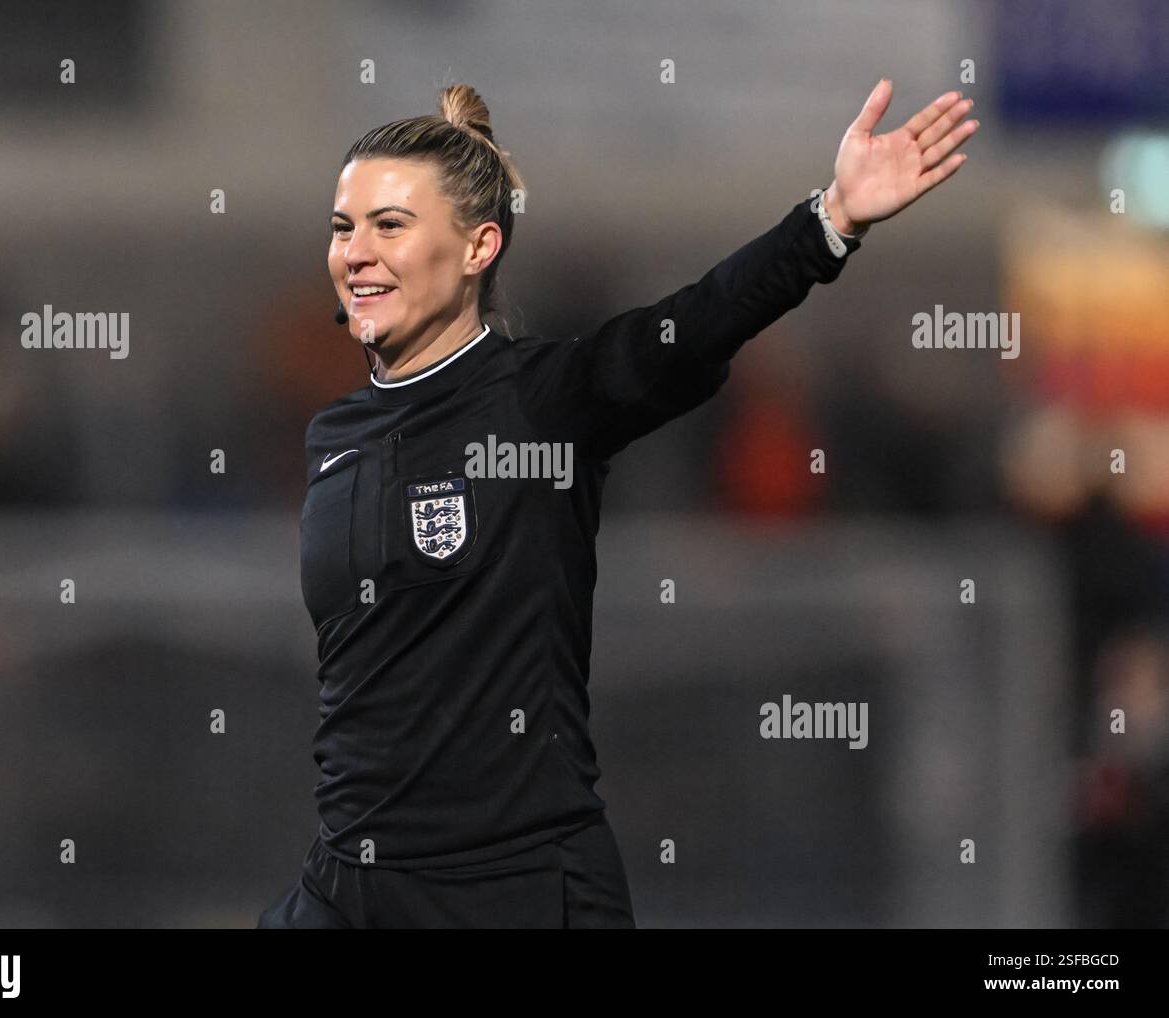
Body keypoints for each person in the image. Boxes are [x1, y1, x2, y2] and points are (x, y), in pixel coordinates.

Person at [257, 79, 977, 928]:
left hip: (513, 890)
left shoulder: (541, 403)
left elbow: (695, 325)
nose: (356, 252)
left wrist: (830, 222)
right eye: (344, 228)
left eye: (390, 225)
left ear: (479, 246)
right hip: (351, 885)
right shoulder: (335, 433)